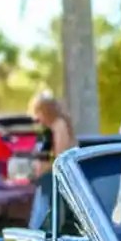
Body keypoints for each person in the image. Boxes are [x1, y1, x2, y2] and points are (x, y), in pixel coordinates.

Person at [28, 93, 77, 230]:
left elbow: (60, 155)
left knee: (43, 212)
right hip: (47, 178)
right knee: (42, 210)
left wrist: (44, 167)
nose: (37, 117)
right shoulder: (50, 128)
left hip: (53, 178)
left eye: (39, 112)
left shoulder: (59, 125)